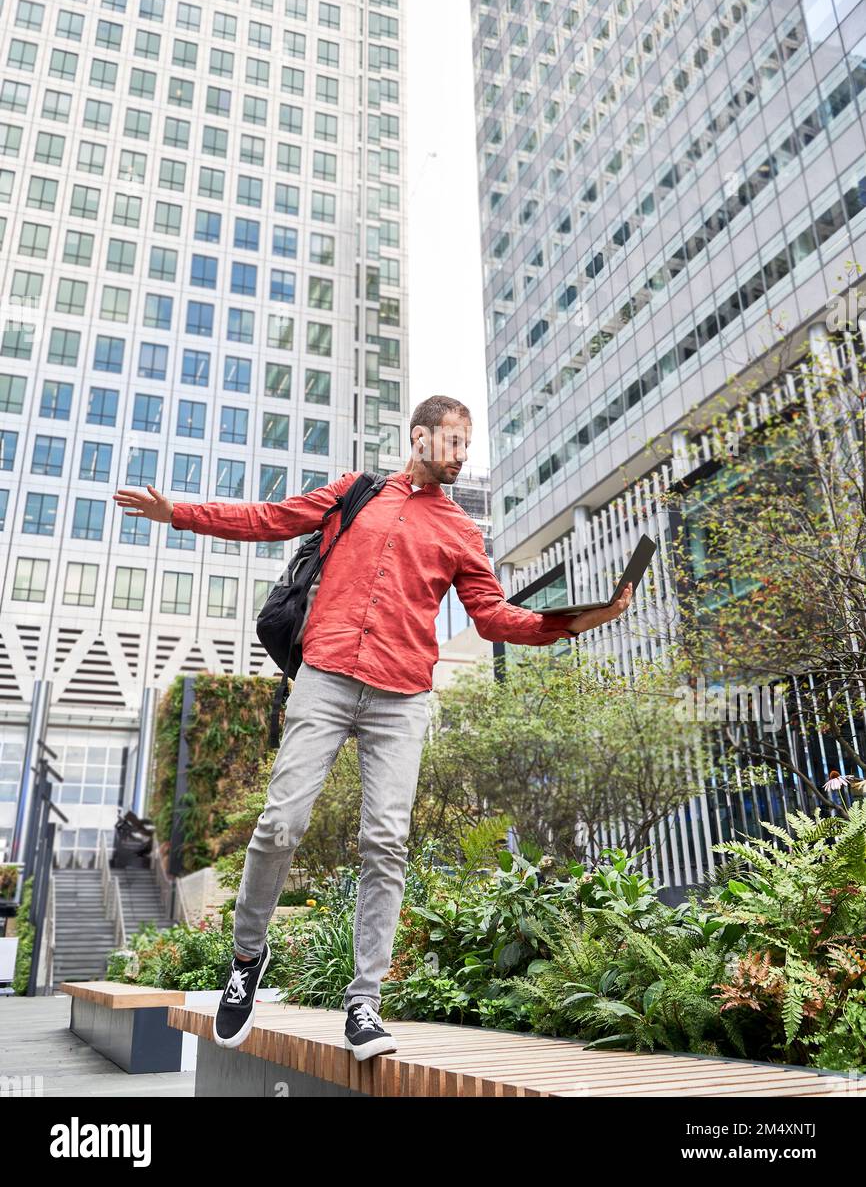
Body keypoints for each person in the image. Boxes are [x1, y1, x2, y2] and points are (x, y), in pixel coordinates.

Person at [113, 395, 632, 1060]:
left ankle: (364, 1003)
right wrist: (177, 512)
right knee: (279, 825)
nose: (461, 454)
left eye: (466, 446)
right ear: (419, 437)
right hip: (327, 675)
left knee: (385, 842)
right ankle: (247, 958)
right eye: (452, 441)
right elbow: (269, 518)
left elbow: (494, 619)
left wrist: (573, 621)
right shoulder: (355, 493)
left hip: (402, 696)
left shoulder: (462, 532)